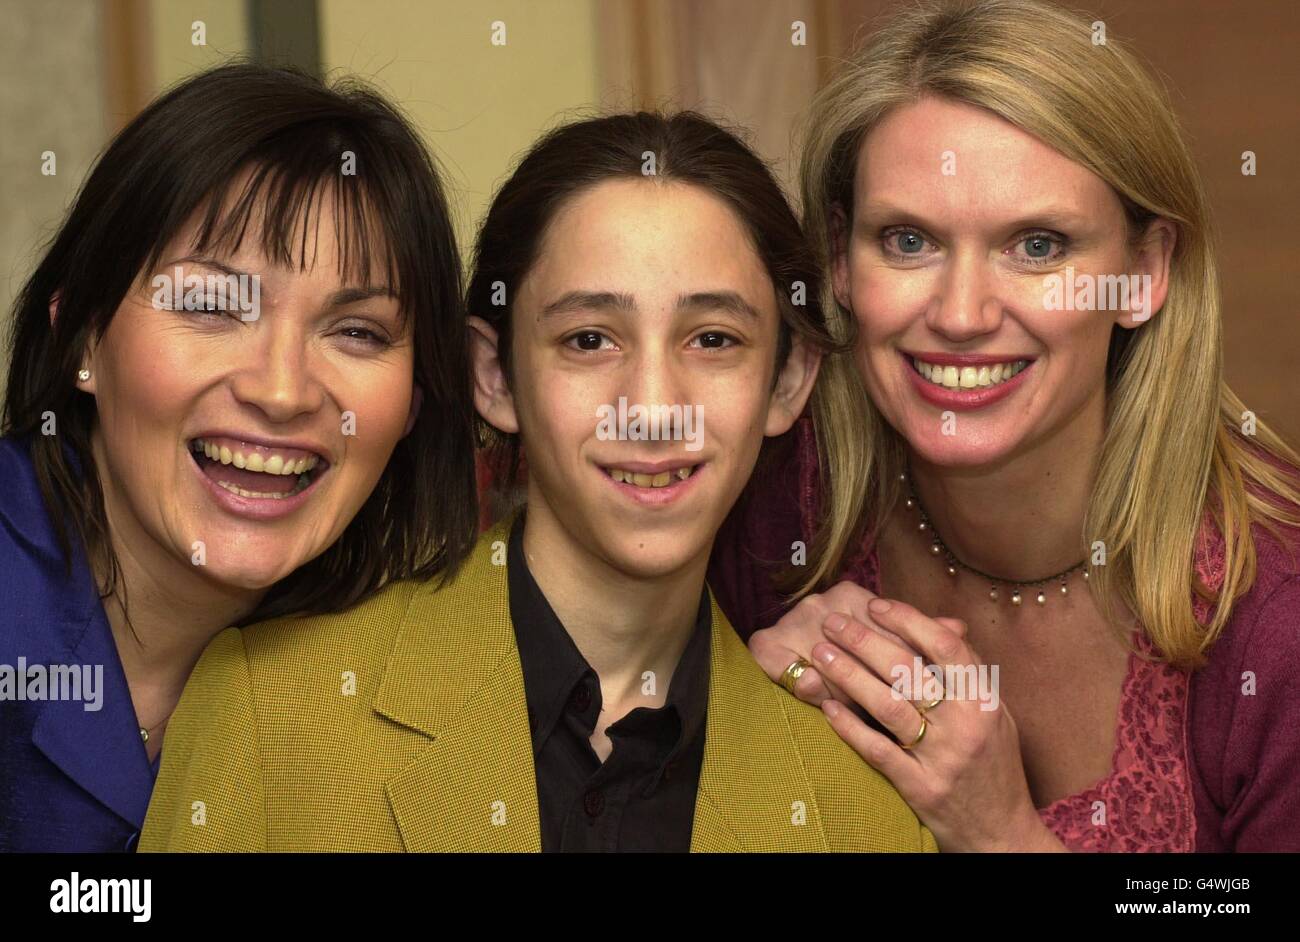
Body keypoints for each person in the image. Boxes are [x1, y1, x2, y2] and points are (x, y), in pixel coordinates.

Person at [141, 111, 934, 852]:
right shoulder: (268, 710)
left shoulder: (863, 809)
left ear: (788, 380)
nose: (652, 409)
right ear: (495, 375)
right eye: (589, 339)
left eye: (713, 338)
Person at [709, 0, 1300, 852]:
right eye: (908, 240)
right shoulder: (765, 502)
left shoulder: (1274, 621)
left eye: (1038, 247)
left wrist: (999, 832)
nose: (961, 314)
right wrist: (733, 691)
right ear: (839, 258)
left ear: (1142, 272)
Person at [0, 64, 478, 852]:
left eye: (357, 331)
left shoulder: (397, 670)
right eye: (211, 306)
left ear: (414, 404)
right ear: (82, 336)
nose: (283, 391)